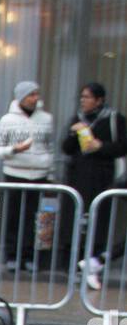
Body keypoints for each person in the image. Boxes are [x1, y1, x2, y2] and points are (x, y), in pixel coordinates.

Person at [62, 81, 127, 287]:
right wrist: (74, 133)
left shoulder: (114, 119)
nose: (83, 101)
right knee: (76, 219)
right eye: (81, 97)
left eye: (87, 97)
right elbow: (67, 148)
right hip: (78, 177)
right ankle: (75, 263)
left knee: (98, 220)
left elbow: (121, 147)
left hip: (103, 178)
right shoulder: (78, 119)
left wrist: (99, 146)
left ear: (99, 100)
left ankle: (95, 261)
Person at [0, 79, 54, 270]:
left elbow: (50, 148)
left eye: (36, 94)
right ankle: (12, 255)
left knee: (37, 217)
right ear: (21, 97)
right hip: (15, 173)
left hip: (40, 174)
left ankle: (31, 256)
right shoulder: (7, 121)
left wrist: (50, 171)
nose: (35, 98)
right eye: (31, 95)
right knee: (14, 216)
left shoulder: (46, 119)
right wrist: (14, 149)